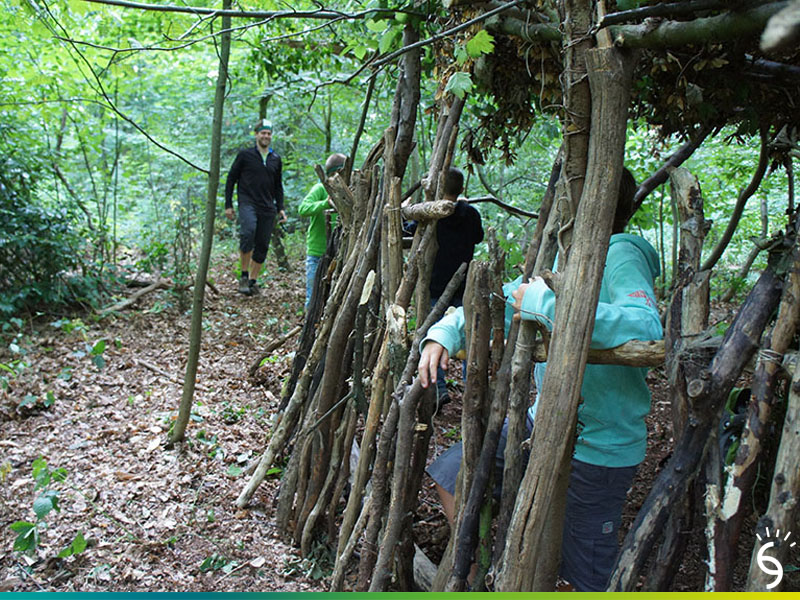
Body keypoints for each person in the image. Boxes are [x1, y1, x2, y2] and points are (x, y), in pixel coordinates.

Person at [418, 168, 663, 591]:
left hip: (600, 443)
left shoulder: (621, 253)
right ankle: (474, 576)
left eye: (569, 193)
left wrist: (545, 303)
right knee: (453, 473)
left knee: (585, 568)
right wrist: (443, 332)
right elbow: (499, 298)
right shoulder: (563, 258)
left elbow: (645, 329)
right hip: (542, 423)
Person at [411, 167, 484, 404]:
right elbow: (478, 236)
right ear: (461, 189)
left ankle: (438, 389)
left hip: (435, 285)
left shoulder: (431, 216)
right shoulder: (470, 214)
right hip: (464, 286)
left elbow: (408, 230)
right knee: (467, 333)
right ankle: (470, 387)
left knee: (434, 336)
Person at [225, 119, 287, 296]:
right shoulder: (245, 155)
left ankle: (252, 281)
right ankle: (243, 275)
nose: (266, 136)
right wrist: (228, 205)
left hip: (268, 206)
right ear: (256, 135)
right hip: (247, 203)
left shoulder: (276, 159)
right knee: (248, 233)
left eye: (268, 133)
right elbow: (231, 179)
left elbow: (278, 186)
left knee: (262, 245)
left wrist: (280, 208)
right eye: (263, 133)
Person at [298, 153, 346, 308]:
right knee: (313, 297)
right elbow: (303, 209)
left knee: (335, 296)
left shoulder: (349, 191)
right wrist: (325, 203)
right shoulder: (320, 189)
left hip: (340, 254)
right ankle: (310, 326)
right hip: (317, 253)